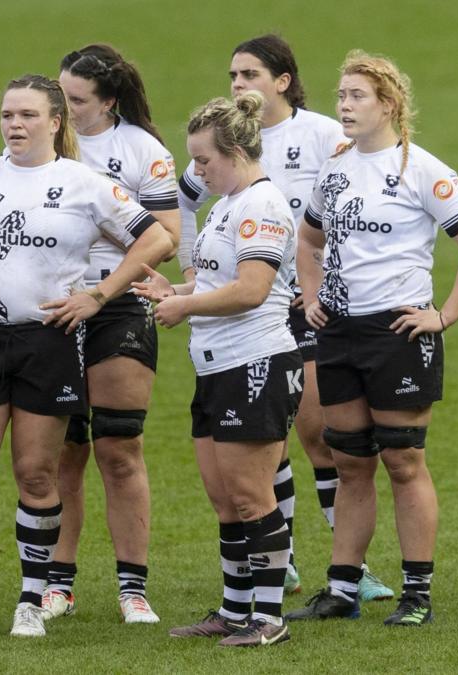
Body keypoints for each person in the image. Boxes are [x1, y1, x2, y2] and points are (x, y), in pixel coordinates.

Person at [0, 74, 173, 639]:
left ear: (55, 122)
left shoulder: (83, 183)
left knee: (36, 474)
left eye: (28, 115)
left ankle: (31, 601)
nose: (14, 125)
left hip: (48, 342)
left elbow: (156, 239)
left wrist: (99, 295)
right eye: (8, 115)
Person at [176, 33, 394, 603]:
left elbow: (350, 201)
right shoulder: (224, 141)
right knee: (261, 448)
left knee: (318, 435)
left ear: (283, 80)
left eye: (250, 74)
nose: (239, 84)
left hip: (303, 305)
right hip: (248, 308)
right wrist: (192, 268)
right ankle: (283, 560)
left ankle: (350, 564)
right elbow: (181, 202)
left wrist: (326, 280)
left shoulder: (321, 134)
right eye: (233, 75)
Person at [286, 51, 458, 626]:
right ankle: (341, 589)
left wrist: (444, 315)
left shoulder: (423, 170)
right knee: (349, 463)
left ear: (389, 105)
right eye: (341, 96)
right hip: (340, 333)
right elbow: (307, 241)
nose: (344, 107)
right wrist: (310, 298)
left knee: (404, 461)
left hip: (398, 331)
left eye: (357, 96)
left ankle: (417, 595)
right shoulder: (332, 170)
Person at [136, 91, 300, 648]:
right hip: (217, 366)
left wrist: (185, 307)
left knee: (253, 496)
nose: (197, 171)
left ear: (234, 151)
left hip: (254, 362)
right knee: (224, 497)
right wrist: (175, 289)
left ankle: (269, 616)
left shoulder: (261, 205)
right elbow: (217, 283)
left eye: (204, 159)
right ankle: (233, 611)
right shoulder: (227, 205)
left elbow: (253, 291)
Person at [39, 44, 180, 625]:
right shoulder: (41, 142)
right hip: (52, 306)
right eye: (61, 98)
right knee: (62, 451)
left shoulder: (142, 150)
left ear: (109, 102)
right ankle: (58, 583)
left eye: (76, 102)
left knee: (120, 448)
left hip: (116, 304)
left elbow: (166, 234)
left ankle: (132, 589)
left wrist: (105, 256)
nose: (64, 112)